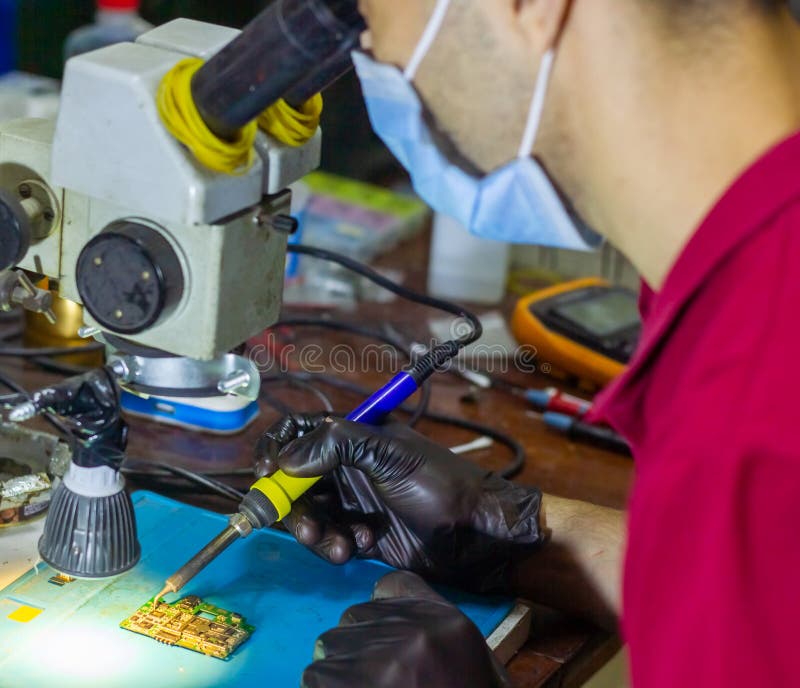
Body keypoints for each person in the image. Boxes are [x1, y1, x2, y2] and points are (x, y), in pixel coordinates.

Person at [256, 1, 800, 685]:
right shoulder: (743, 277)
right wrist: (510, 532)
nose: (368, 45)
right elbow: (764, 587)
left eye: (370, 7)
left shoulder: (763, 396)